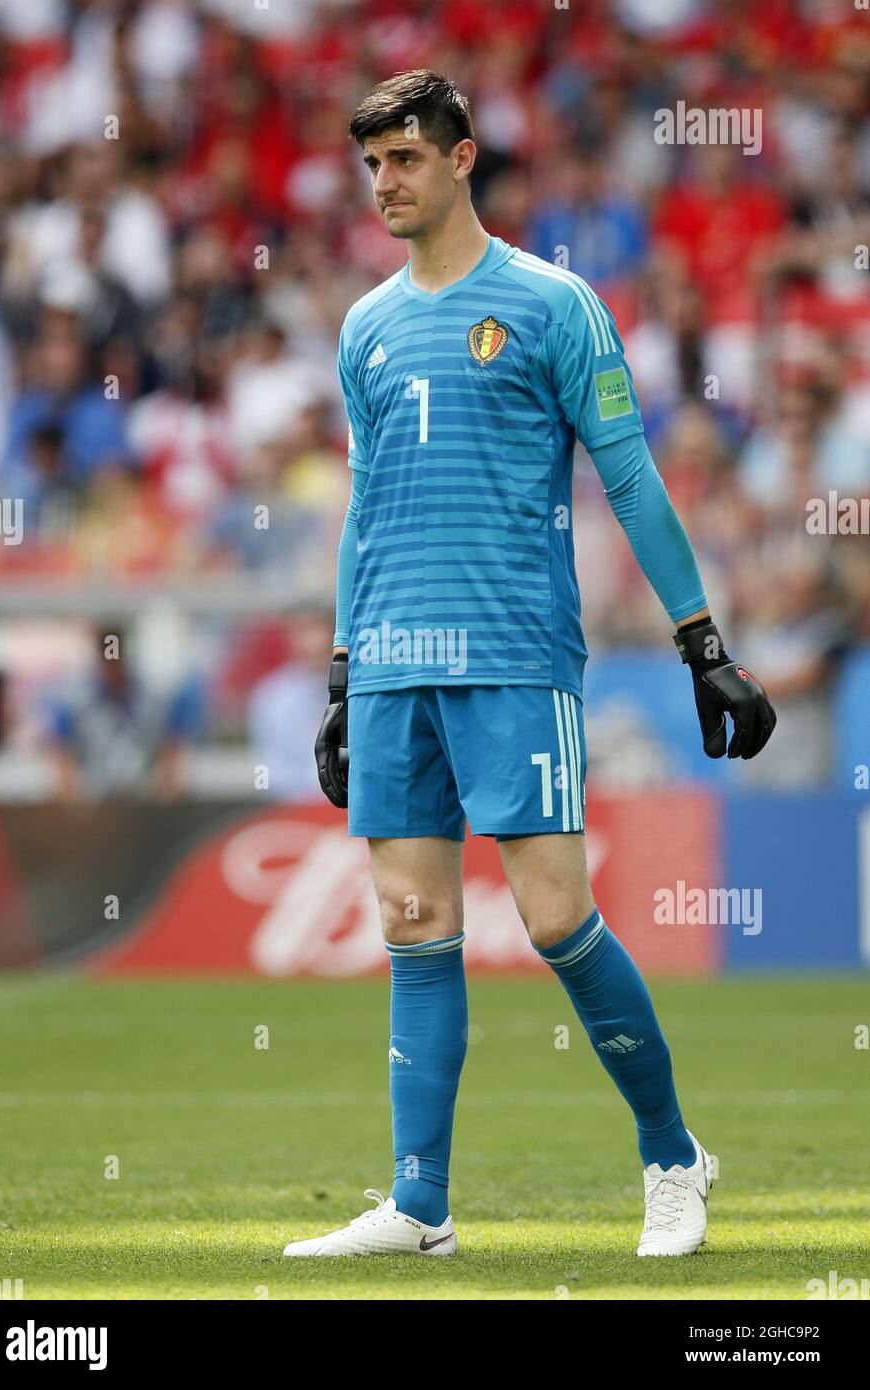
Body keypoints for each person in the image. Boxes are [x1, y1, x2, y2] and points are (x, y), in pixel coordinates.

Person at [292, 71, 776, 1261]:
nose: (383, 183)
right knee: (413, 918)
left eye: (403, 159)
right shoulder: (362, 326)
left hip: (512, 652)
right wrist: (346, 669)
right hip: (394, 659)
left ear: (461, 162)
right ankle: (419, 1203)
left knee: (557, 916)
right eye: (369, 165)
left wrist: (700, 643)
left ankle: (672, 1159)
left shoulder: (554, 305)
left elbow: (629, 478)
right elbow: (364, 508)